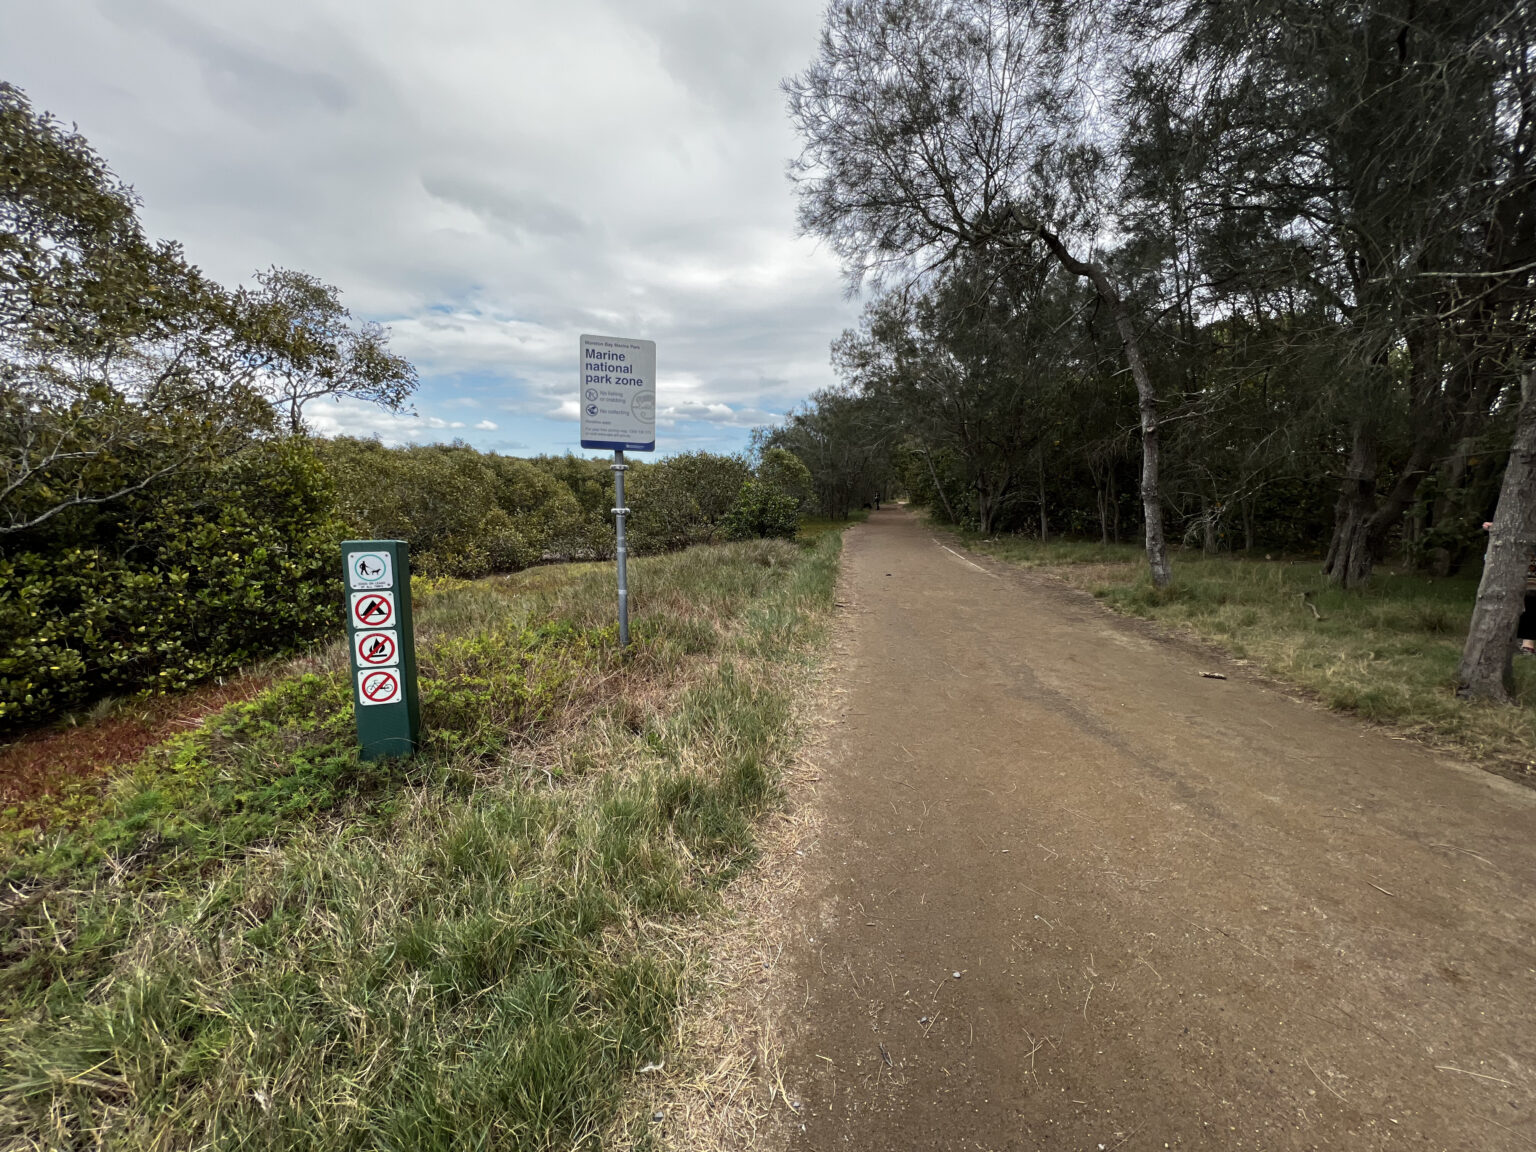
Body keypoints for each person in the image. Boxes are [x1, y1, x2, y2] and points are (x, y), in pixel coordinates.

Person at [1483, 520, 1536, 654]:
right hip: (1518, 554)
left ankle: (1528, 642)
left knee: (1531, 595)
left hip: (1530, 558)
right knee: (1513, 595)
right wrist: (1497, 527)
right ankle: (1509, 638)